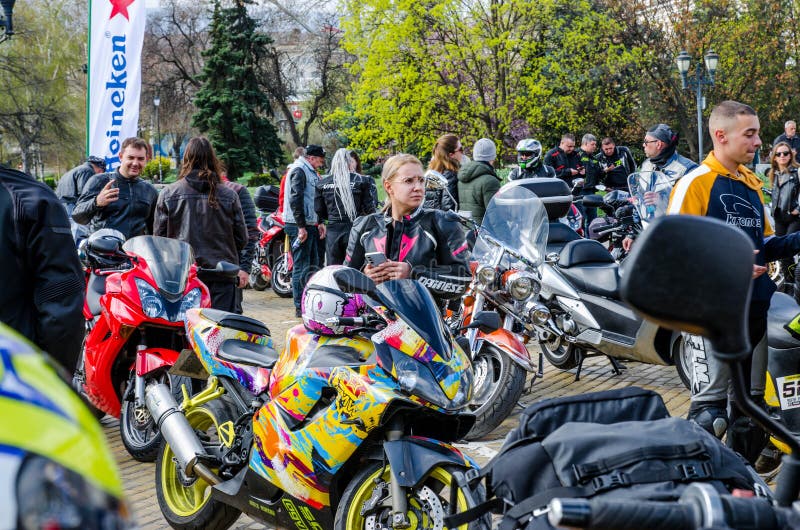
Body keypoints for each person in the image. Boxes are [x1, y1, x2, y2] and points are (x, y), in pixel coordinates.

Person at [668, 100, 800, 463]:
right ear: (721, 135)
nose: (760, 143)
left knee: (751, 413)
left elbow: (766, 245)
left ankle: (742, 488)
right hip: (713, 315)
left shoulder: (751, 185)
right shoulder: (696, 182)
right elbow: (673, 250)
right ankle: (694, 486)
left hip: (754, 311)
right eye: (751, 134)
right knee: (712, 416)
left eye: (758, 133)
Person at [345, 153, 470, 301]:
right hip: (375, 320)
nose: (418, 187)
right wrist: (366, 277)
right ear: (388, 186)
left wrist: (414, 274)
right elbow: (345, 280)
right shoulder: (365, 225)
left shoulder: (443, 222)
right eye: (409, 181)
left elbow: (462, 281)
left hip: (425, 320)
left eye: (421, 180)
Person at [0, 165, 84, 374]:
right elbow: (62, 307)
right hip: (16, 376)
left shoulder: (30, 199)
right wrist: (55, 379)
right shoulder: (29, 198)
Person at [154, 137, 247, 313]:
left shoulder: (169, 193)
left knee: (182, 331)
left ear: (186, 159)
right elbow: (242, 239)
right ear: (213, 159)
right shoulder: (229, 195)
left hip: (183, 277)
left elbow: (160, 242)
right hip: (222, 277)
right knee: (223, 331)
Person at [72, 137, 158, 239]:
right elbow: (77, 217)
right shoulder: (99, 181)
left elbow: (154, 228)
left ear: (146, 160)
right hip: (102, 251)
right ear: (121, 157)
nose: (135, 163)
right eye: (130, 158)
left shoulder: (150, 191)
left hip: (135, 252)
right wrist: (96, 202)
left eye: (140, 159)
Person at [284, 144, 326, 316]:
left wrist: (320, 221)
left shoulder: (309, 171)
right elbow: (296, 199)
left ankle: (309, 302)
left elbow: (314, 199)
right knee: (301, 266)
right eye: (320, 161)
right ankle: (299, 306)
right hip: (299, 225)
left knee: (314, 263)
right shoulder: (299, 170)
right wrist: (301, 226)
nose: (321, 164)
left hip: (310, 223)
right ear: (311, 158)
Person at [315, 148, 377, 265]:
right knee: (355, 266)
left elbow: (319, 210)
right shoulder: (361, 180)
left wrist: (327, 218)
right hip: (355, 228)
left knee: (334, 267)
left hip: (333, 230)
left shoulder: (322, 184)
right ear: (350, 162)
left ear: (334, 163)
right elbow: (370, 209)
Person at [221, 173, 259, 313]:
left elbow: (250, 232)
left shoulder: (236, 191)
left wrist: (244, 267)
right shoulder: (190, 192)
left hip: (230, 269)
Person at [768, 141, 800, 294]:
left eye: (785, 153)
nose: (782, 156)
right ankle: (789, 283)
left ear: (790, 155)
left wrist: (798, 209)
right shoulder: (773, 173)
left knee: (790, 247)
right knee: (781, 251)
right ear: (774, 157)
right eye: (779, 154)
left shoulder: (797, 172)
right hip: (779, 217)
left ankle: (795, 280)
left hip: (794, 218)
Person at [56, 156, 107, 243]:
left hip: (60, 206)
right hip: (72, 207)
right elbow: (85, 194)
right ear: (100, 169)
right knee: (77, 235)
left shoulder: (72, 171)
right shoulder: (87, 171)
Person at [457, 138, 501, 224]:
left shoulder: (461, 178)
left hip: (465, 231)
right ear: (493, 157)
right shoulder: (490, 181)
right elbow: (495, 217)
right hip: (483, 234)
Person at [426, 134, 464, 209]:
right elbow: (449, 208)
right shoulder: (451, 175)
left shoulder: (432, 175)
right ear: (451, 155)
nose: (463, 153)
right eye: (460, 149)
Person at [576, 133, 601, 227]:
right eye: (592, 144)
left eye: (595, 144)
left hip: (592, 191)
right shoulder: (576, 155)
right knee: (581, 219)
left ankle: (593, 240)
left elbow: (598, 174)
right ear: (585, 143)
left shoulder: (594, 158)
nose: (595, 147)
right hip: (580, 192)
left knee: (593, 220)